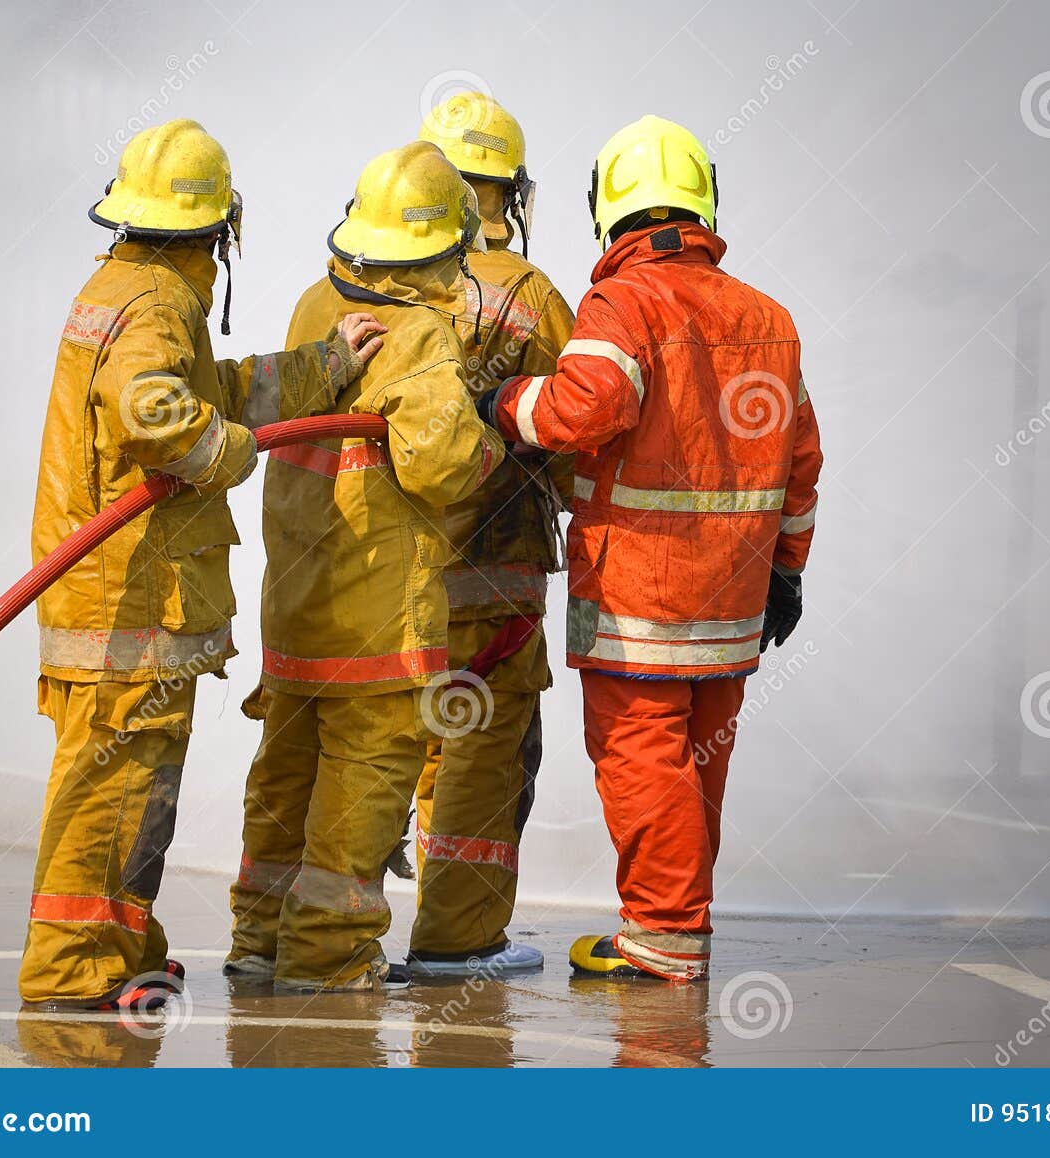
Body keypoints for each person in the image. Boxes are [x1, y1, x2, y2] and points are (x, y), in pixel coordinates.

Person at [23, 119, 383, 1010]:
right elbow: (157, 411)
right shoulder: (155, 302)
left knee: (125, 782)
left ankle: (121, 940)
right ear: (218, 225)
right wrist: (222, 453)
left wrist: (326, 366)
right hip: (130, 600)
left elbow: (218, 389)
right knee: (118, 781)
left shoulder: (125, 285)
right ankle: (76, 970)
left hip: (110, 588)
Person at [480, 115, 824, 982]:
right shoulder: (770, 318)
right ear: (703, 199)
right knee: (697, 769)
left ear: (610, 207)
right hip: (735, 602)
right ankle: (676, 930)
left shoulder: (627, 300)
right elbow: (801, 459)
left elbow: (583, 408)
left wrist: (508, 401)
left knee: (643, 764)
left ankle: (664, 941)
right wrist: (786, 573)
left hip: (642, 597)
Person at [226, 141, 504, 992]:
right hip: (377, 622)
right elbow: (440, 467)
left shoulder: (318, 301)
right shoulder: (420, 332)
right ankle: (329, 959)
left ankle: (259, 943)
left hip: (299, 606)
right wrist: (490, 435)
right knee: (360, 792)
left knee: (284, 777)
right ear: (440, 249)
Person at [405, 92, 575, 978]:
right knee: (484, 746)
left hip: (384, 575)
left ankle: (316, 939)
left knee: (415, 737)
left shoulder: (381, 279)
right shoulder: (527, 295)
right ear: (508, 192)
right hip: (493, 575)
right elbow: (580, 428)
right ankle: (458, 938)